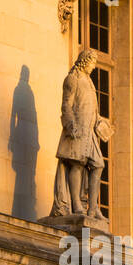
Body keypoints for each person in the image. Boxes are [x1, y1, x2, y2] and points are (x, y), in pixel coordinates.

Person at [49, 50, 106, 218]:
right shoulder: (72, 79)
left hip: (90, 131)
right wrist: (70, 124)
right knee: (77, 164)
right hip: (77, 129)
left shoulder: (88, 81)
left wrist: (100, 122)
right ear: (84, 61)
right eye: (92, 62)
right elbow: (66, 104)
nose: (94, 66)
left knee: (98, 165)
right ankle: (76, 204)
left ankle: (93, 208)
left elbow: (91, 107)